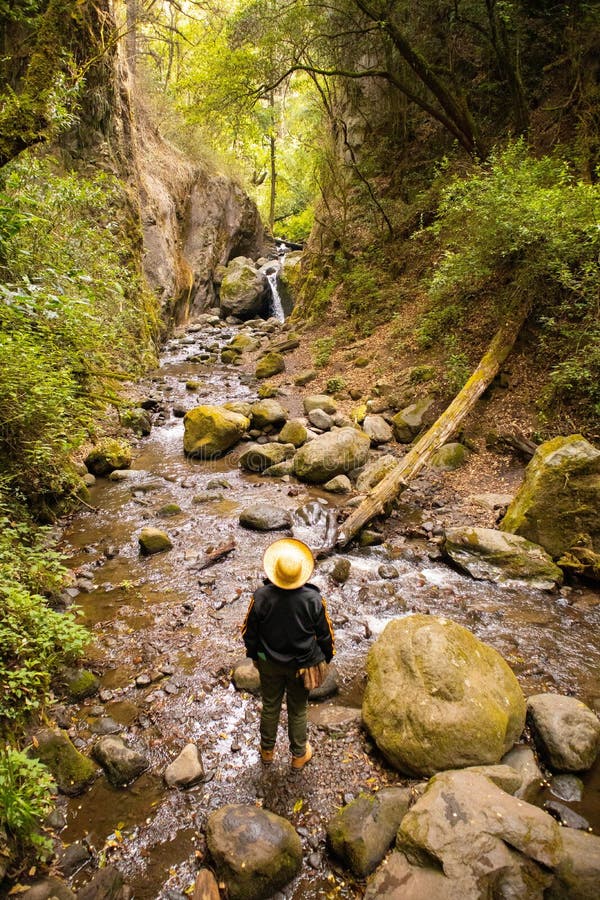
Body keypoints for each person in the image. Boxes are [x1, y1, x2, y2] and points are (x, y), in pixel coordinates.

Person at [241, 538, 335, 770]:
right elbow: (326, 635)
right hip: (302, 665)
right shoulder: (313, 599)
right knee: (298, 709)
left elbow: (248, 632)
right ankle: (298, 755)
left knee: (270, 705)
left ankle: (267, 752)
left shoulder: (261, 596)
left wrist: (254, 656)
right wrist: (326, 658)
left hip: (269, 662)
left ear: (275, 572)